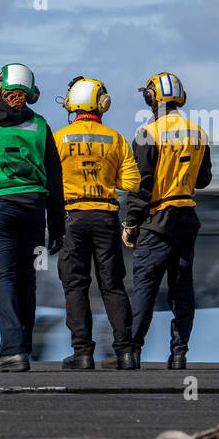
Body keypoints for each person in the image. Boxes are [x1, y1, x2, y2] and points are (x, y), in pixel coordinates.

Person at [0, 63, 64, 372]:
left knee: (2, 279)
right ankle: (24, 347)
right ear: (31, 94)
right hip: (33, 211)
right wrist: (57, 226)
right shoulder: (41, 126)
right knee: (26, 280)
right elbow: (55, 180)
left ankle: (12, 350)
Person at [123, 72, 211, 371]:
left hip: (156, 219)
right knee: (182, 288)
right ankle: (179, 354)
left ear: (152, 98)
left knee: (145, 288)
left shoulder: (148, 133)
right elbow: (204, 179)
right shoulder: (198, 132)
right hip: (186, 218)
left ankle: (132, 351)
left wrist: (131, 223)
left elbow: (141, 185)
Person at [53, 77, 140, 370]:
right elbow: (131, 181)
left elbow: (47, 179)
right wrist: (105, 180)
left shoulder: (59, 138)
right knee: (113, 285)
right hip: (106, 217)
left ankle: (82, 353)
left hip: (72, 217)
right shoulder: (115, 138)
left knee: (75, 284)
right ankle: (126, 353)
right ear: (102, 104)